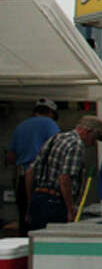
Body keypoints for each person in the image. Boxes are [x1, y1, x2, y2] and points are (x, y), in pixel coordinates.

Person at [27, 115, 102, 230]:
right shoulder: (76, 145)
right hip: (56, 203)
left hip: (38, 198)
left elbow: (30, 172)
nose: (93, 144)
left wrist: (30, 204)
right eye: (94, 139)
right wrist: (70, 209)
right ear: (87, 132)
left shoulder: (54, 139)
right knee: (56, 242)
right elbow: (64, 178)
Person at [6, 98, 60, 235]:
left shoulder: (20, 126)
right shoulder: (50, 124)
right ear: (51, 113)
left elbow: (11, 157)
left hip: (21, 179)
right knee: (43, 223)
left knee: (25, 219)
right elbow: (57, 149)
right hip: (42, 181)